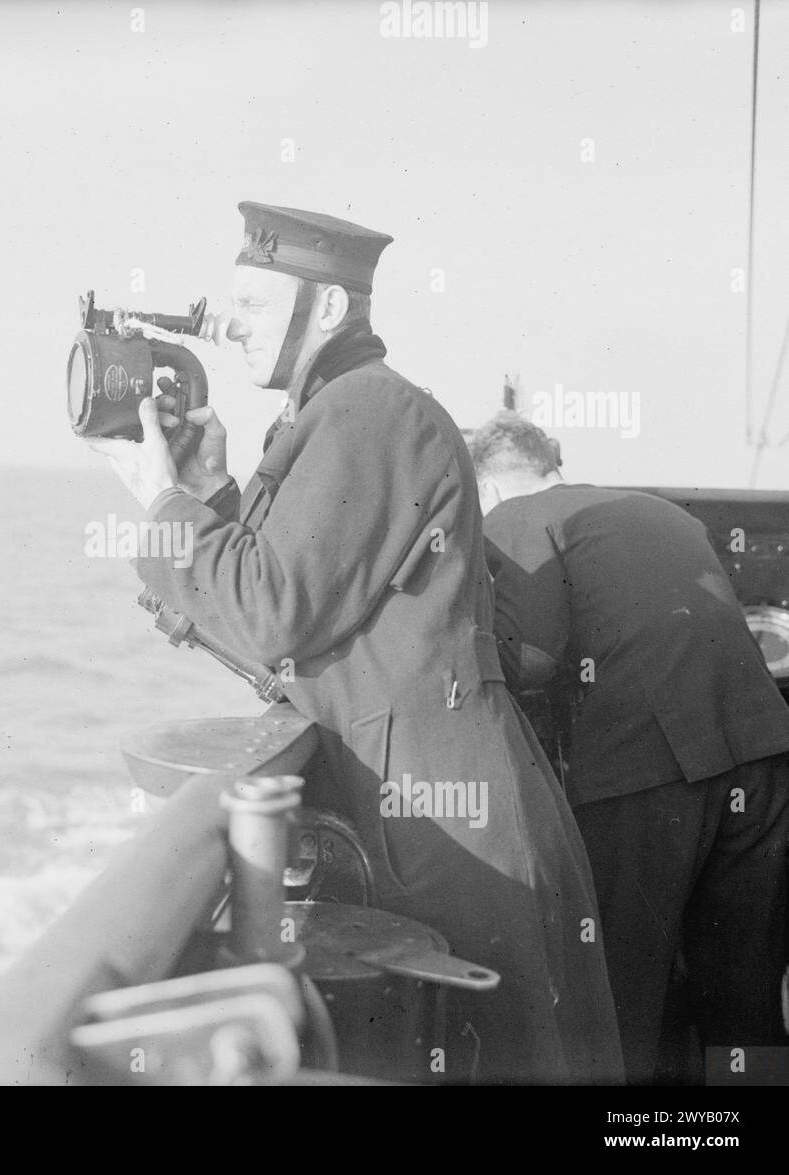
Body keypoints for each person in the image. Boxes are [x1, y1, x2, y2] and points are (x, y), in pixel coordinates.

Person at [88, 202, 623, 1082]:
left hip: (444, 817)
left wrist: (164, 503)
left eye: (256, 307)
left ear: (329, 310)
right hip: (428, 798)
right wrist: (215, 489)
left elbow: (273, 611)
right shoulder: (339, 413)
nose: (230, 326)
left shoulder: (368, 414)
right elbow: (296, 623)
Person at [469, 411, 789, 1083]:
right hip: (763, 752)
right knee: (745, 989)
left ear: (489, 488)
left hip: (647, 767)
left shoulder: (518, 518)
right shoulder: (662, 512)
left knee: (623, 993)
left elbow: (527, 658)